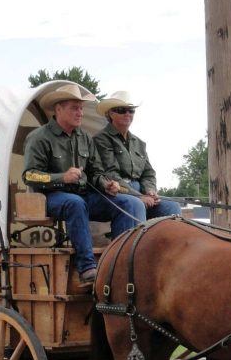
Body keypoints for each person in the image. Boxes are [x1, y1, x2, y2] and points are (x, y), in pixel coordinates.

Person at [23, 83, 146, 283]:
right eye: (74, 107)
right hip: (51, 197)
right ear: (58, 109)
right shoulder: (40, 137)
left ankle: (120, 265)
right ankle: (87, 267)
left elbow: (95, 172)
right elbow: (30, 175)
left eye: (81, 108)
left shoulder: (84, 138)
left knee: (128, 202)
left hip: (83, 196)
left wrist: (106, 184)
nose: (80, 112)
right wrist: (61, 177)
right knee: (75, 203)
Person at [93, 91, 182, 219]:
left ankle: (165, 239)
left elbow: (148, 173)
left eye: (131, 110)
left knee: (172, 206)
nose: (128, 114)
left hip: (140, 191)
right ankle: (137, 238)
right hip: (117, 191)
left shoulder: (139, 143)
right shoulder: (101, 139)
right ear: (111, 113)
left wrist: (150, 190)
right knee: (135, 204)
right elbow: (110, 174)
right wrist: (139, 196)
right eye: (122, 110)